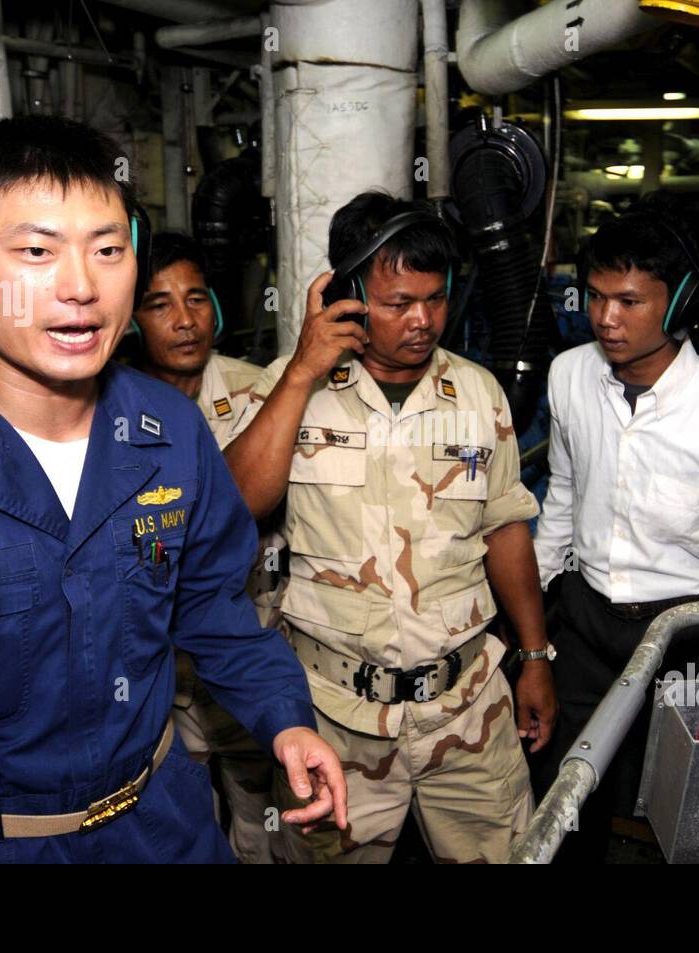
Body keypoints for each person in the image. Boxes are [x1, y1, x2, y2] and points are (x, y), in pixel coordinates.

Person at [0, 115, 345, 862]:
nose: (81, 288)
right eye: (36, 251)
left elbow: (212, 608)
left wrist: (285, 719)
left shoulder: (170, 429)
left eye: (108, 251)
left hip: (163, 830)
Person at [224, 191, 555, 863]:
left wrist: (536, 656)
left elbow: (506, 528)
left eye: (435, 299)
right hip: (333, 721)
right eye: (399, 302)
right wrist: (302, 372)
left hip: (467, 710)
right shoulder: (286, 390)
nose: (424, 320)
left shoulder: (479, 393)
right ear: (346, 293)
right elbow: (236, 501)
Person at [533, 205, 699, 863]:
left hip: (689, 636)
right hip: (587, 623)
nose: (606, 318)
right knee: (566, 807)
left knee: (684, 818)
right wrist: (531, 633)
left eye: (629, 300)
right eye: (596, 297)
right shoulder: (570, 375)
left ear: (678, 301)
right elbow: (561, 500)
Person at [131, 231, 285, 863]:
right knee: (175, 830)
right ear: (131, 318)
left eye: (196, 299)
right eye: (160, 303)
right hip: (158, 670)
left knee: (266, 828)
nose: (185, 319)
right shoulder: (109, 407)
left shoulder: (263, 397)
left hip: (249, 648)